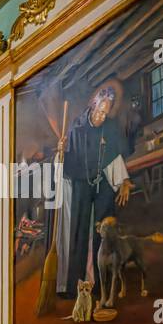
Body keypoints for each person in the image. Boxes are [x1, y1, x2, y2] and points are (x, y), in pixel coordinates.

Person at [56, 80, 133, 300]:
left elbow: (114, 157)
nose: (101, 117)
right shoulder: (77, 127)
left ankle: (101, 284)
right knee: (80, 231)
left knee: (104, 232)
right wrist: (62, 152)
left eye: (105, 114)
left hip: (103, 185)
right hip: (82, 182)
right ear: (94, 104)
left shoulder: (110, 127)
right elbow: (69, 161)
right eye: (100, 111)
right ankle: (75, 284)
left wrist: (124, 182)